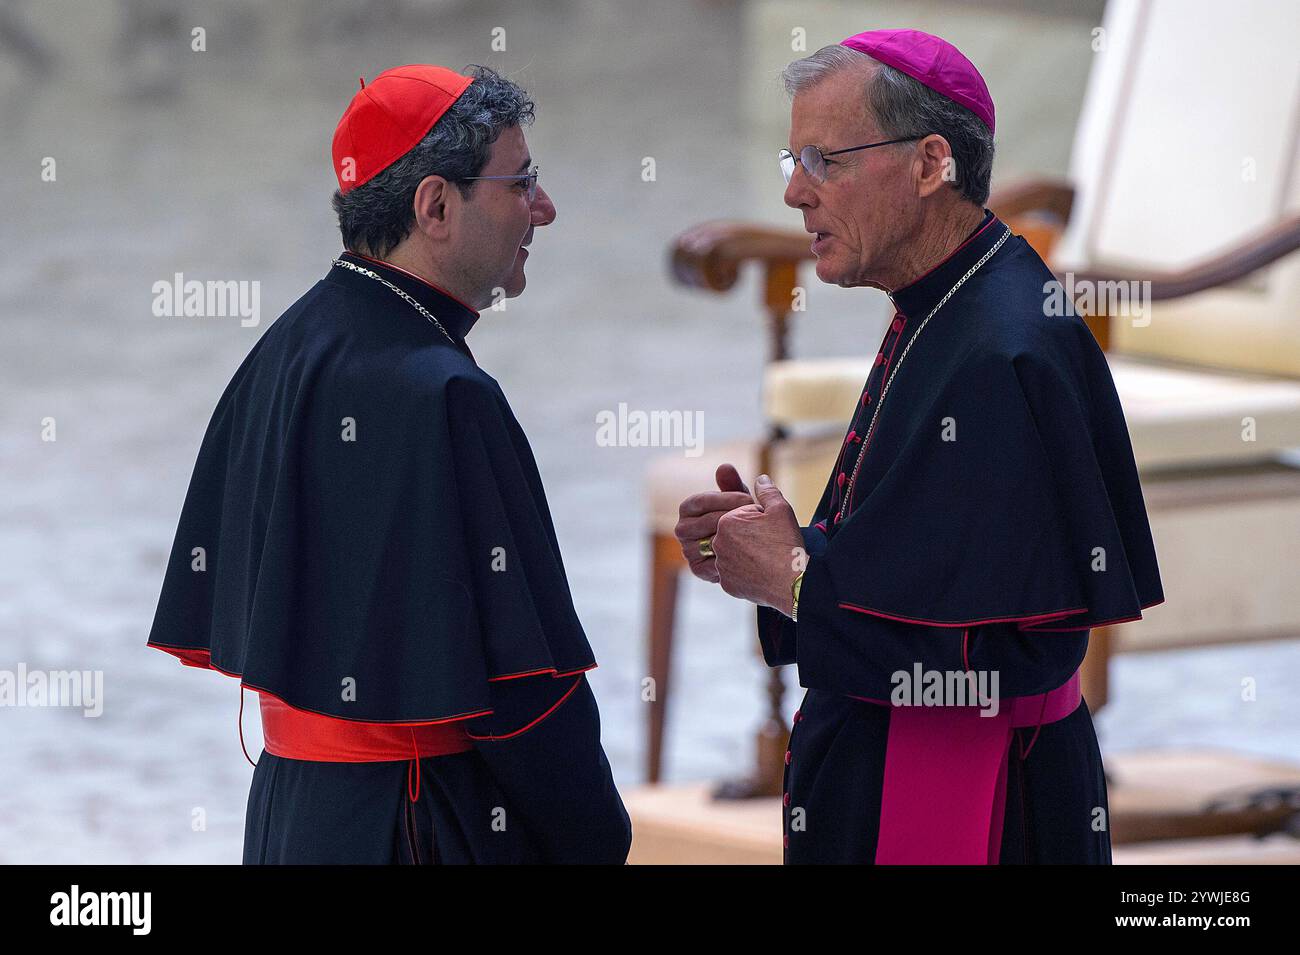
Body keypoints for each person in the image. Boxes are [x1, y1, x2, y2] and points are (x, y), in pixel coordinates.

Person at [675, 30, 1163, 864]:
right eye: (792, 159)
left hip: (974, 794)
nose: (794, 192)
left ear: (932, 163)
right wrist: (776, 549)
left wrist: (794, 580)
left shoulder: (1003, 351)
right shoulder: (948, 300)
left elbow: (996, 652)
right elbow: (935, 566)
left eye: (824, 161)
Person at [147, 63, 630, 864]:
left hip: (289, 811)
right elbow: (523, 693)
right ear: (435, 206)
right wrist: (599, 834)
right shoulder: (445, 393)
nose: (543, 207)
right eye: (521, 182)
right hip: (418, 819)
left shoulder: (282, 349)